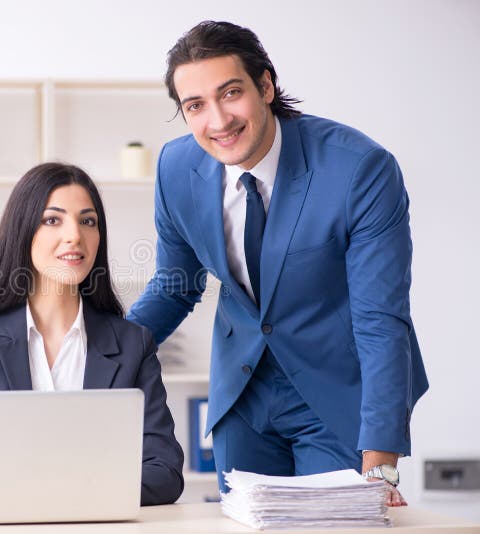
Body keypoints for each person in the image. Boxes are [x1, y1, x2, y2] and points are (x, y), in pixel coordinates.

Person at [127, 21, 428, 506]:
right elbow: (174, 286)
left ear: (266, 86)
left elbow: (381, 319)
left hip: (336, 394)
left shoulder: (359, 170)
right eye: (195, 106)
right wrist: (104, 356)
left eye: (231, 93)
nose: (219, 119)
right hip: (242, 398)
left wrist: (382, 462)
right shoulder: (176, 168)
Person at [0, 162, 184, 519]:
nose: (74, 235)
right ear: (23, 230)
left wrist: (65, 492)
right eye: (53, 220)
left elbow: (165, 472)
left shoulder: (132, 345)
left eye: (87, 221)